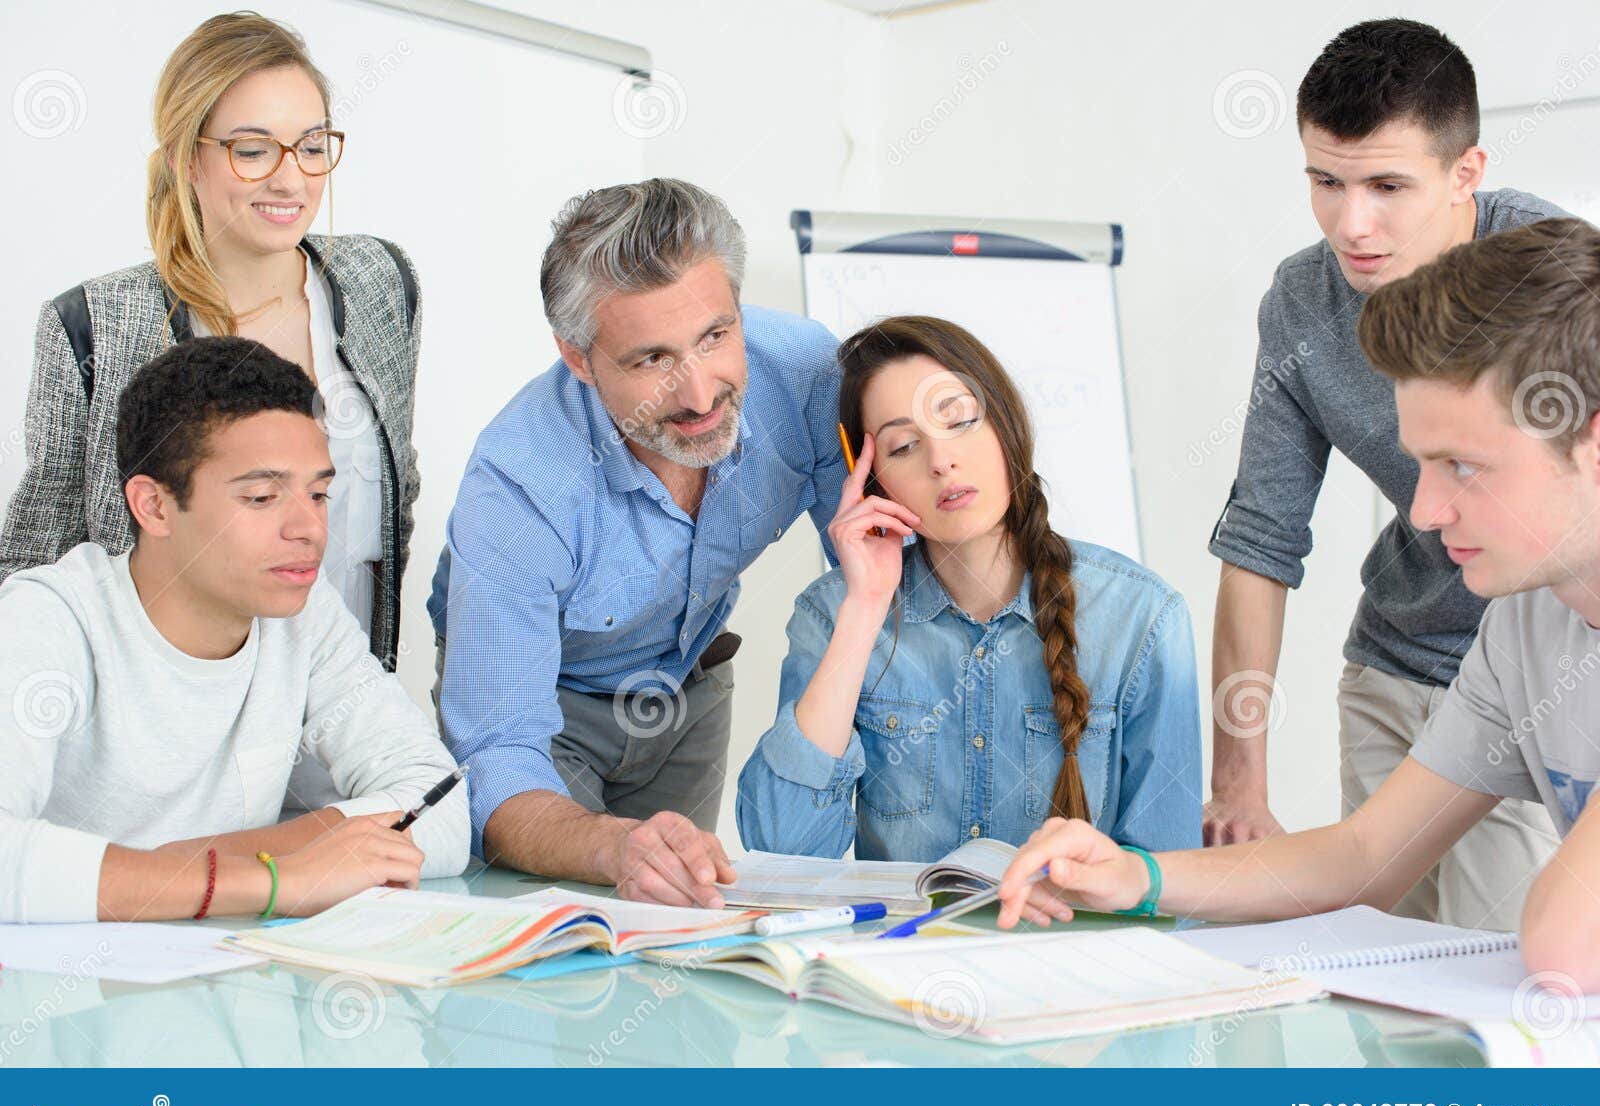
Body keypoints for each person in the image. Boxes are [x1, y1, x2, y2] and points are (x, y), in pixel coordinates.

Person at [1000, 218, 1600, 991]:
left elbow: (1567, 948)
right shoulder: (1527, 622)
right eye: (1421, 465)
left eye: (1463, 466)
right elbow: (1365, 858)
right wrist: (1137, 878)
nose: (1423, 513)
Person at [0, 13, 423, 816]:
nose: (291, 179)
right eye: (253, 148)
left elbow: (396, 495)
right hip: (168, 766)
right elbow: (33, 560)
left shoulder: (380, 283)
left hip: (342, 719)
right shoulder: (97, 325)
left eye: (311, 145)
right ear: (185, 158)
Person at [1203, 18, 1563, 928]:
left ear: (1465, 172)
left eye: (1387, 186)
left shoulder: (1557, 284)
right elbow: (1261, 537)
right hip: (1394, 666)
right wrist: (1239, 782)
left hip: (1535, 684)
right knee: (1380, 979)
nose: (1350, 225)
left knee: (1511, 987)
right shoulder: (1301, 301)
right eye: (1326, 181)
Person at [430, 178, 847, 906]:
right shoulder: (516, 489)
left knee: (681, 935)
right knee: (551, 951)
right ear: (579, 356)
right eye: (651, 360)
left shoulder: (806, 375)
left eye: (716, 337)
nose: (697, 394)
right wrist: (607, 840)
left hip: (690, 685)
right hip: (551, 712)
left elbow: (885, 581)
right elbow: (499, 756)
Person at [0, 337, 467, 924]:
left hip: (228, 979)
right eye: (262, 496)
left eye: (319, 494)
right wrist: (277, 879)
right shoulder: (47, 619)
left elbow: (439, 805)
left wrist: (185, 870)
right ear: (155, 507)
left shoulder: (302, 613)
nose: (309, 529)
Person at [737, 316, 1201, 859]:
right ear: (872, 479)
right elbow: (781, 852)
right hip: (901, 944)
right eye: (904, 446)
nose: (941, 461)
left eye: (959, 421)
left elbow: (1168, 879)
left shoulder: (1143, 617)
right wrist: (864, 609)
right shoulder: (832, 614)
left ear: (1006, 422)